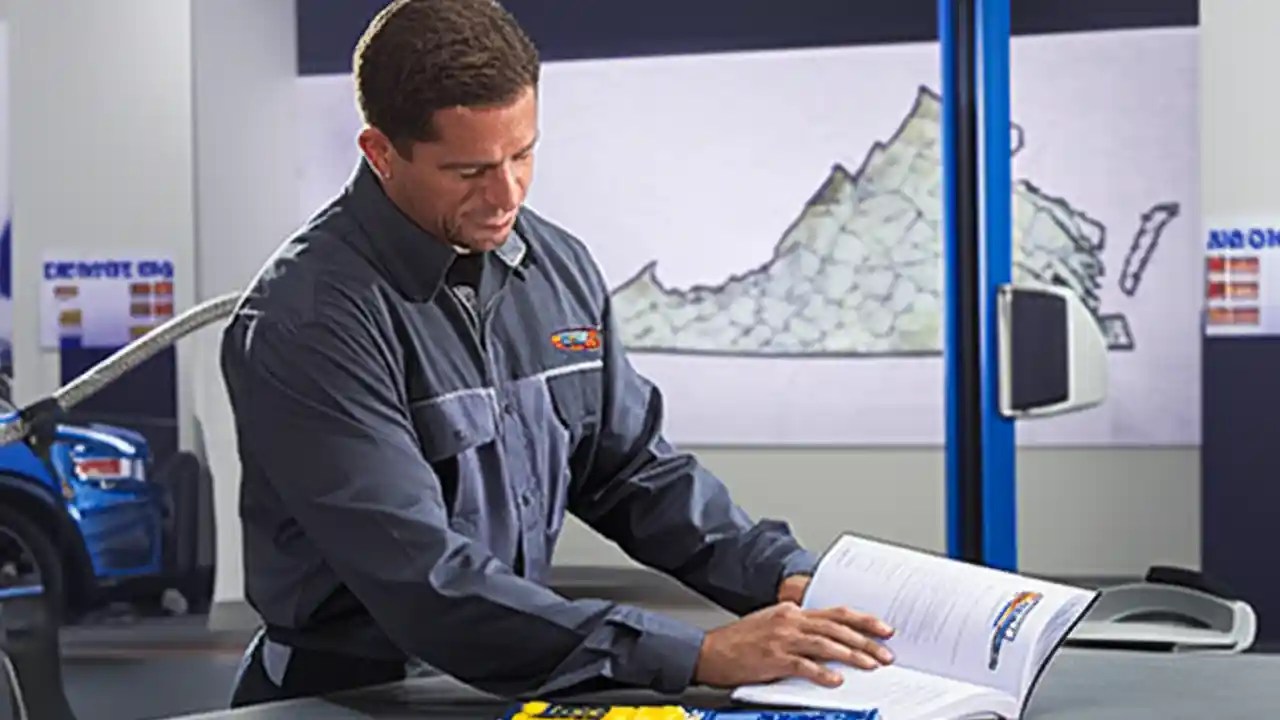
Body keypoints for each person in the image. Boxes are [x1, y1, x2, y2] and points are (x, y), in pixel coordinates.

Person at [220, 0, 895, 708]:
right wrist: (699, 654)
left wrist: (778, 574)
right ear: (381, 154)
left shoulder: (556, 267)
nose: (506, 194)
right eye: (468, 170)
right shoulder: (309, 320)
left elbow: (630, 469)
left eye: (522, 153)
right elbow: (423, 581)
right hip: (348, 695)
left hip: (518, 677)